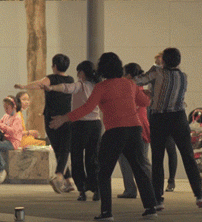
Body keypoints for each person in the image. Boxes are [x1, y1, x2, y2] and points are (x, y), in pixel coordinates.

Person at [49, 52, 157, 221]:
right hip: (134, 130)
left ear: (102, 69)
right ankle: (151, 208)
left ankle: (107, 213)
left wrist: (64, 118)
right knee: (139, 169)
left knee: (104, 172)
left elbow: (87, 108)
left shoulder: (102, 87)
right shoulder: (130, 84)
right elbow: (145, 102)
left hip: (115, 131)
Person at [134, 47, 202, 210]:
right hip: (179, 117)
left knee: (158, 158)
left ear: (164, 60)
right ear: (179, 61)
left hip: (159, 118)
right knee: (188, 156)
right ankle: (199, 195)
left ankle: (158, 199)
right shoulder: (183, 76)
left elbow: (137, 81)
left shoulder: (156, 72)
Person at [15, 53, 75, 193]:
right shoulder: (71, 80)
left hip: (51, 118)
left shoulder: (52, 78)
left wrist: (24, 86)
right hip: (66, 118)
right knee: (63, 149)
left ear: (54, 66)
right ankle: (67, 180)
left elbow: (39, 84)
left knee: (60, 149)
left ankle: (61, 177)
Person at [44, 60, 102, 201]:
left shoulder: (80, 85)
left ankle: (82, 190)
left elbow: (67, 88)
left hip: (80, 125)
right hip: (95, 125)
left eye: (78, 72)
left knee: (77, 158)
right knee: (92, 158)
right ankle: (96, 189)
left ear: (81, 73)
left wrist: (51, 88)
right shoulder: (97, 86)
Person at [116, 63, 152, 199]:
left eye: (124, 74)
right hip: (142, 127)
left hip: (133, 128)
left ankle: (132, 189)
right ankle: (152, 187)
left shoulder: (131, 88)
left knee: (127, 159)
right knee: (142, 160)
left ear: (129, 75)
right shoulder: (141, 88)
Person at [151, 52, 179, 193]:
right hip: (156, 115)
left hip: (169, 115)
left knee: (170, 149)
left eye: (160, 63)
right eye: (156, 63)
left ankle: (171, 180)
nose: (158, 66)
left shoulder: (173, 76)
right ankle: (157, 184)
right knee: (157, 153)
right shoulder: (155, 75)